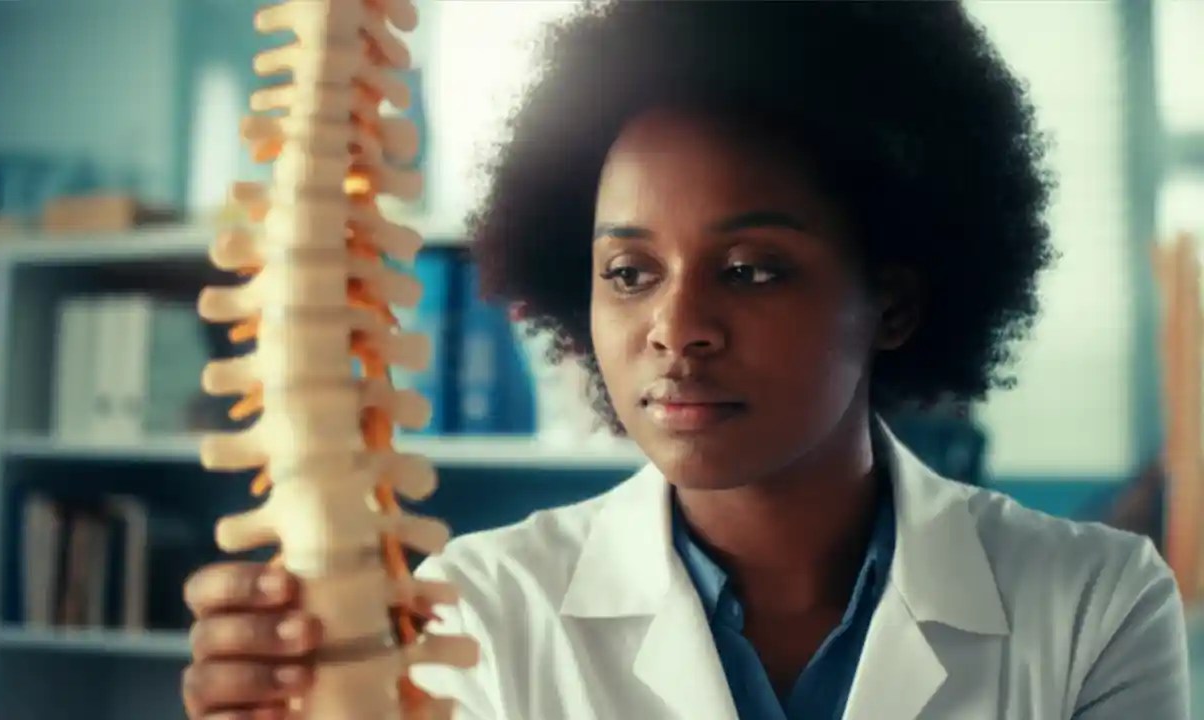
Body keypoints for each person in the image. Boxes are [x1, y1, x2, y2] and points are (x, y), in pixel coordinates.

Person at [179, 2, 1190, 719]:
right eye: (627, 271)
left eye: (749, 269)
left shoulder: (1094, 606)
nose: (674, 327)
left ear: (891, 302)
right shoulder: (472, 611)